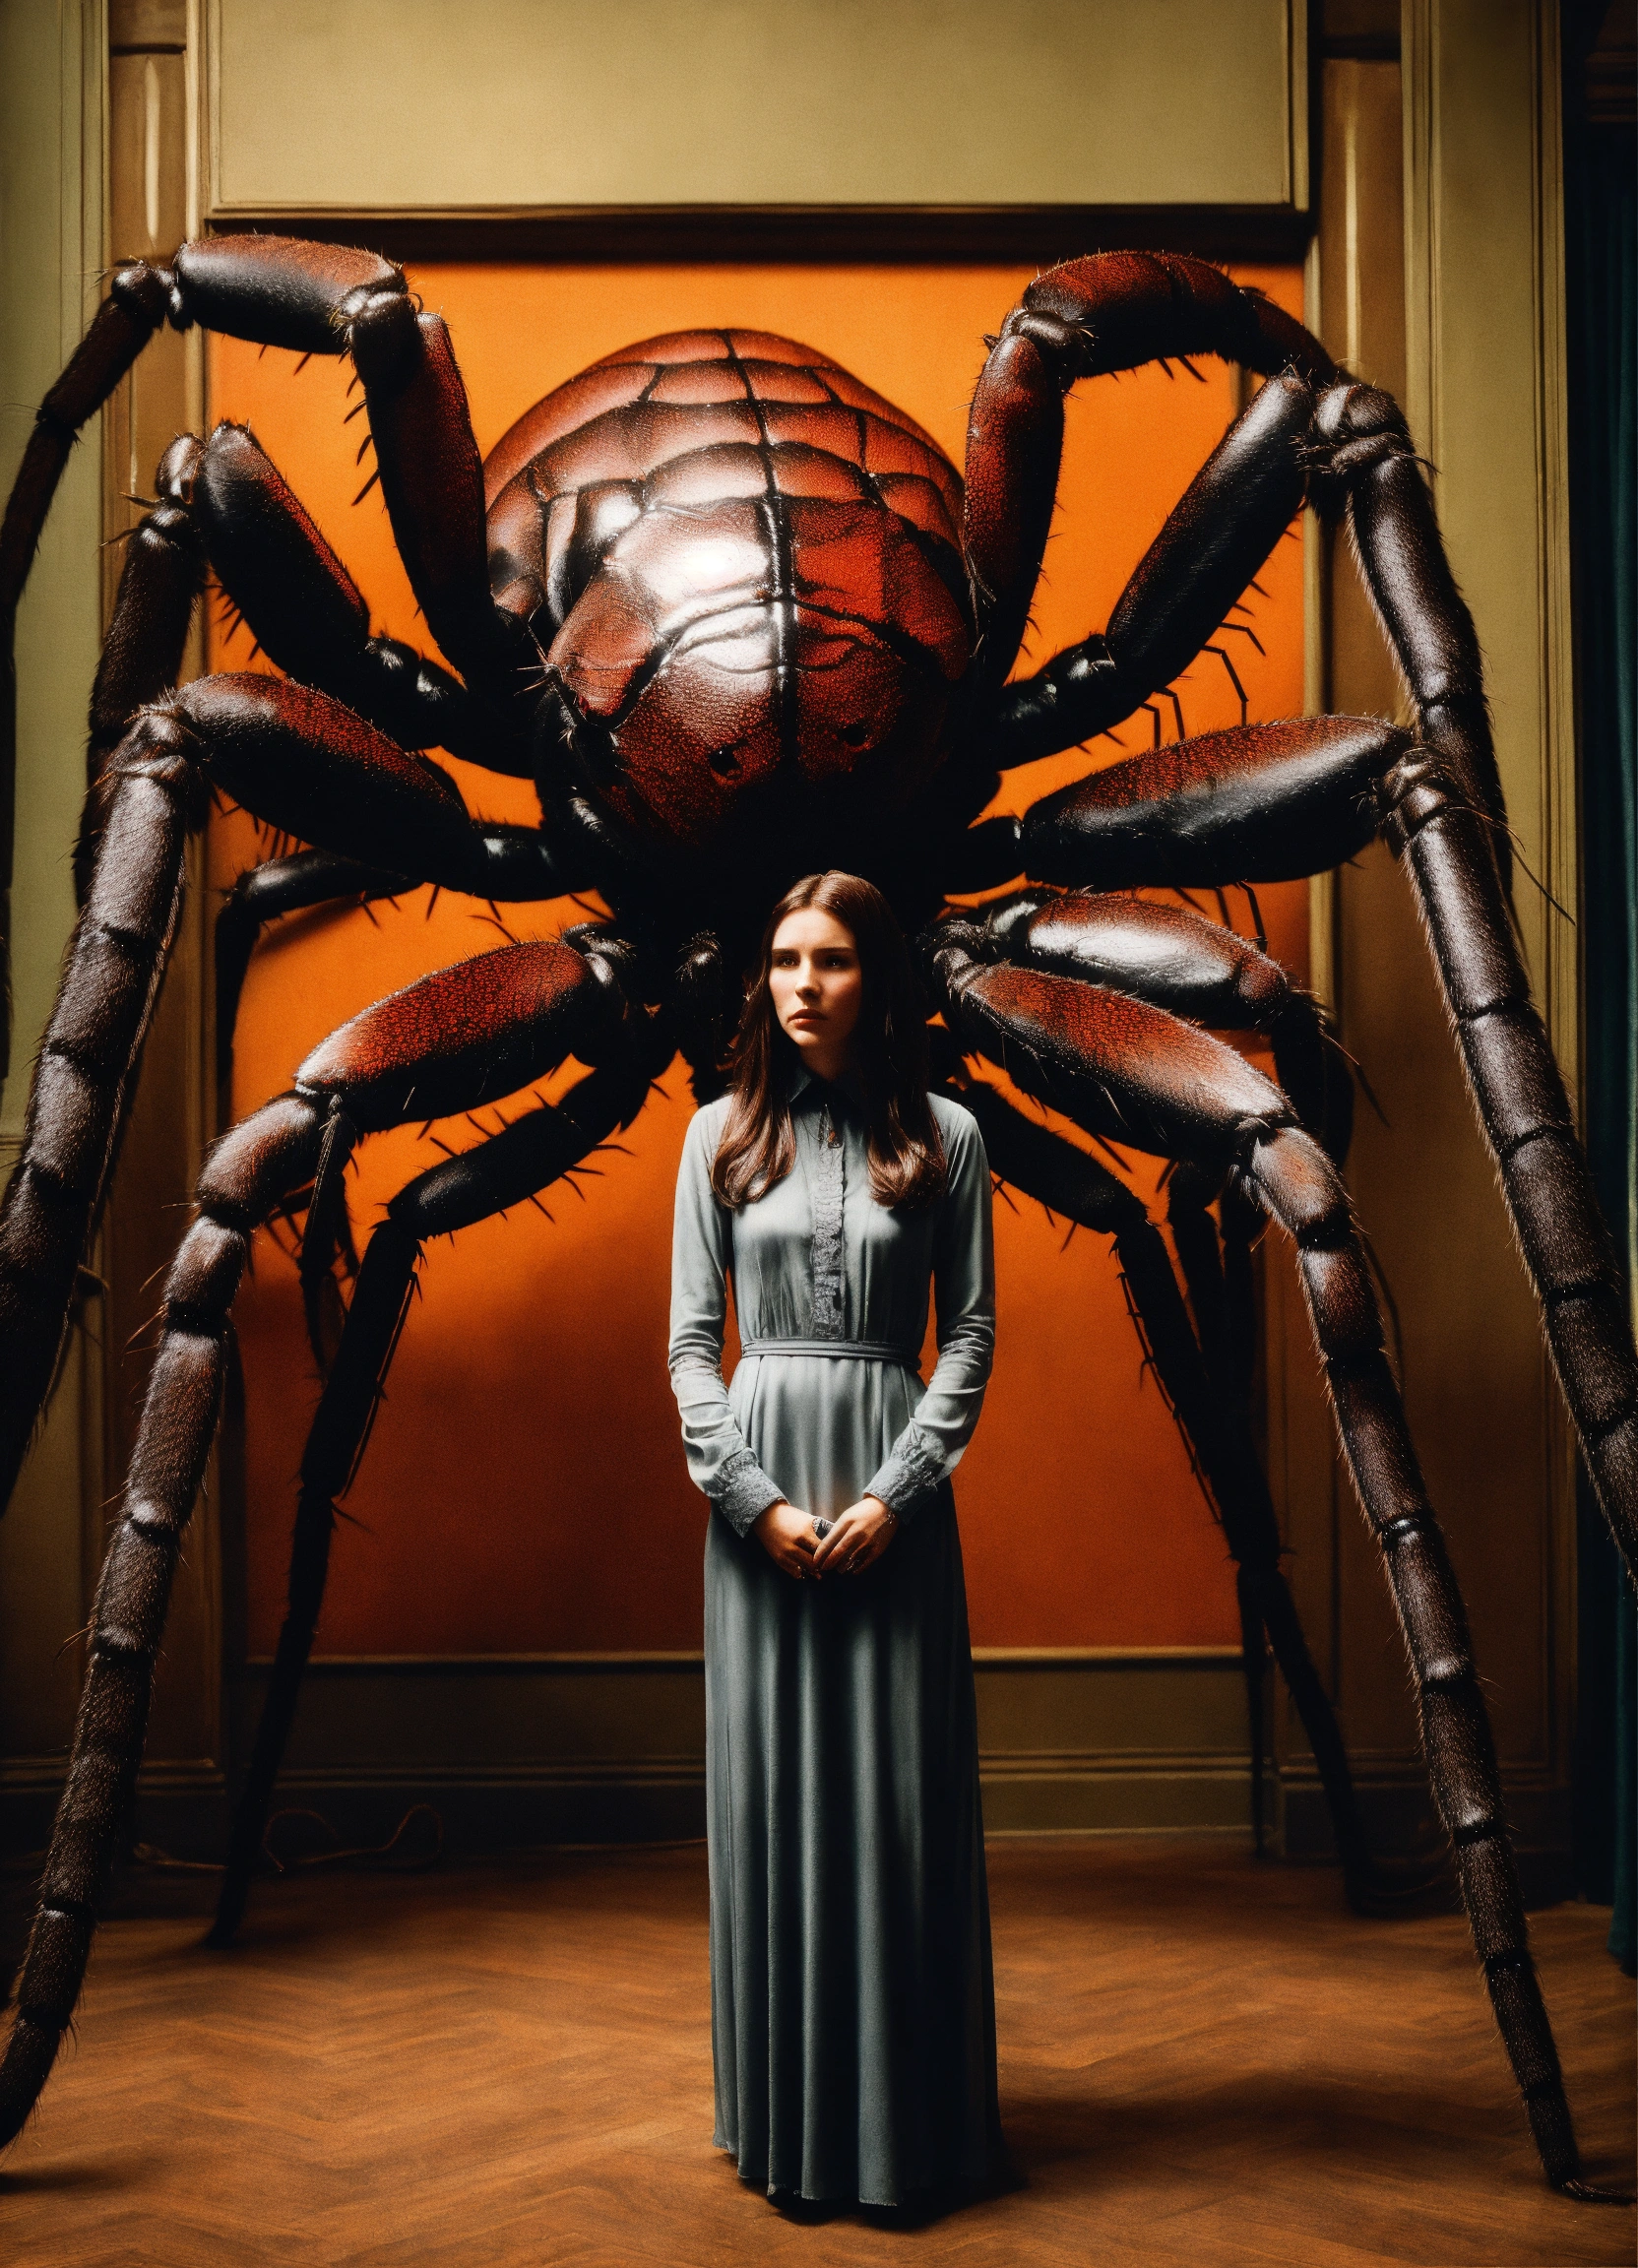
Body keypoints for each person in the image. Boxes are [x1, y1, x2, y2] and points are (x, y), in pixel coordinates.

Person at [668, 870, 1006, 2209]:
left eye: (834, 960)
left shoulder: (951, 1138)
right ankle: (785, 2129)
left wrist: (896, 1489)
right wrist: (753, 1500)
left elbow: (971, 1333)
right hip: (760, 1506)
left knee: (896, 1808)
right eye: (785, 959)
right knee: (768, 1806)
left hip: (889, 1492)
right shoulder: (713, 1141)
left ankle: (904, 2130)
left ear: (882, 980)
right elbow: (695, 1349)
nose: (803, 983)